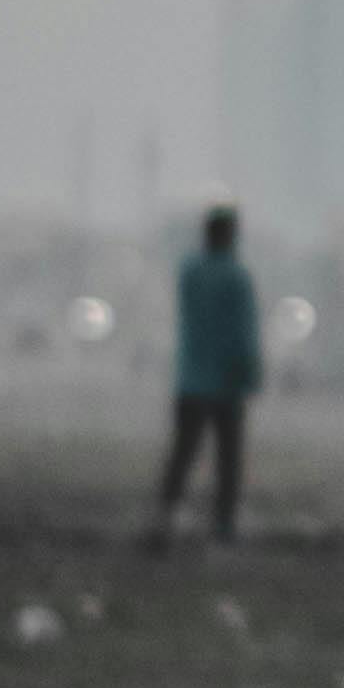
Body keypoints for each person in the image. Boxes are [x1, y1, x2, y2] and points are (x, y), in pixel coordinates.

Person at [148, 207, 266, 544]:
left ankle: (165, 516)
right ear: (230, 235)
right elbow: (243, 332)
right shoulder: (237, 277)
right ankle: (223, 523)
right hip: (226, 383)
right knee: (228, 457)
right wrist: (250, 374)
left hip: (191, 378)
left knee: (183, 452)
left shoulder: (190, 272)